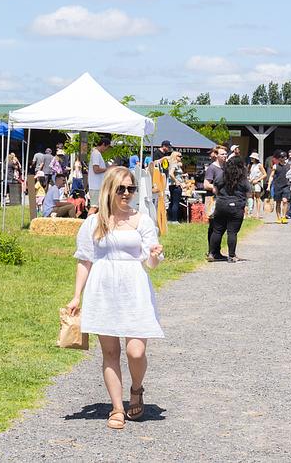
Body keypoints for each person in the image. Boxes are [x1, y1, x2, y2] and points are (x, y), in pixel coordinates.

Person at [65, 166, 165, 430]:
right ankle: (117, 408)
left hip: (134, 288)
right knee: (110, 352)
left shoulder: (142, 220)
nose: (126, 194)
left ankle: (136, 388)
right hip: (103, 289)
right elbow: (85, 260)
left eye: (131, 188)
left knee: (136, 351)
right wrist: (77, 296)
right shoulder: (93, 222)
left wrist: (154, 254)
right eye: (121, 188)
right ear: (109, 189)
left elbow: (151, 262)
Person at [201, 146, 227, 217]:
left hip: (224, 199)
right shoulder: (212, 168)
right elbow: (206, 185)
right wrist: (218, 187)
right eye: (222, 154)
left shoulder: (226, 167)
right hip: (213, 199)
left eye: (225, 154)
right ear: (216, 155)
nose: (225, 156)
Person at [164, 152, 185, 223]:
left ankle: (170, 219)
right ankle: (174, 220)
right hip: (176, 186)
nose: (181, 158)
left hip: (172, 186)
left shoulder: (174, 164)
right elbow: (170, 173)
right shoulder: (174, 164)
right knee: (175, 203)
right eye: (180, 156)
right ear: (175, 157)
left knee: (172, 202)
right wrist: (176, 181)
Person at [247, 153, 266, 219]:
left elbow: (264, 174)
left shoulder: (259, 165)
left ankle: (258, 213)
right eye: (251, 158)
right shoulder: (250, 165)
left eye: (253, 158)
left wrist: (257, 180)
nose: (252, 159)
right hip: (250, 182)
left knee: (257, 198)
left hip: (257, 182)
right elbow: (249, 173)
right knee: (250, 197)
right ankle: (250, 212)